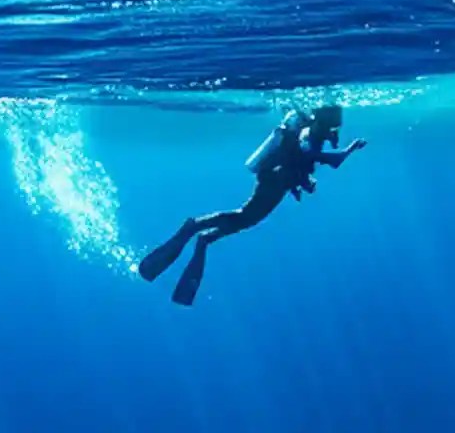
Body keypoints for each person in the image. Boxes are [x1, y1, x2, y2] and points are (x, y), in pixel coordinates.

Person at [136, 104, 368, 305]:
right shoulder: (311, 141)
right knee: (236, 219)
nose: (334, 133)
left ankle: (197, 238)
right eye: (333, 128)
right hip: (266, 194)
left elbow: (304, 163)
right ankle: (192, 229)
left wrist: (302, 181)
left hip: (268, 187)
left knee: (227, 226)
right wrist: (351, 148)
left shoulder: (307, 136)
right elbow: (330, 160)